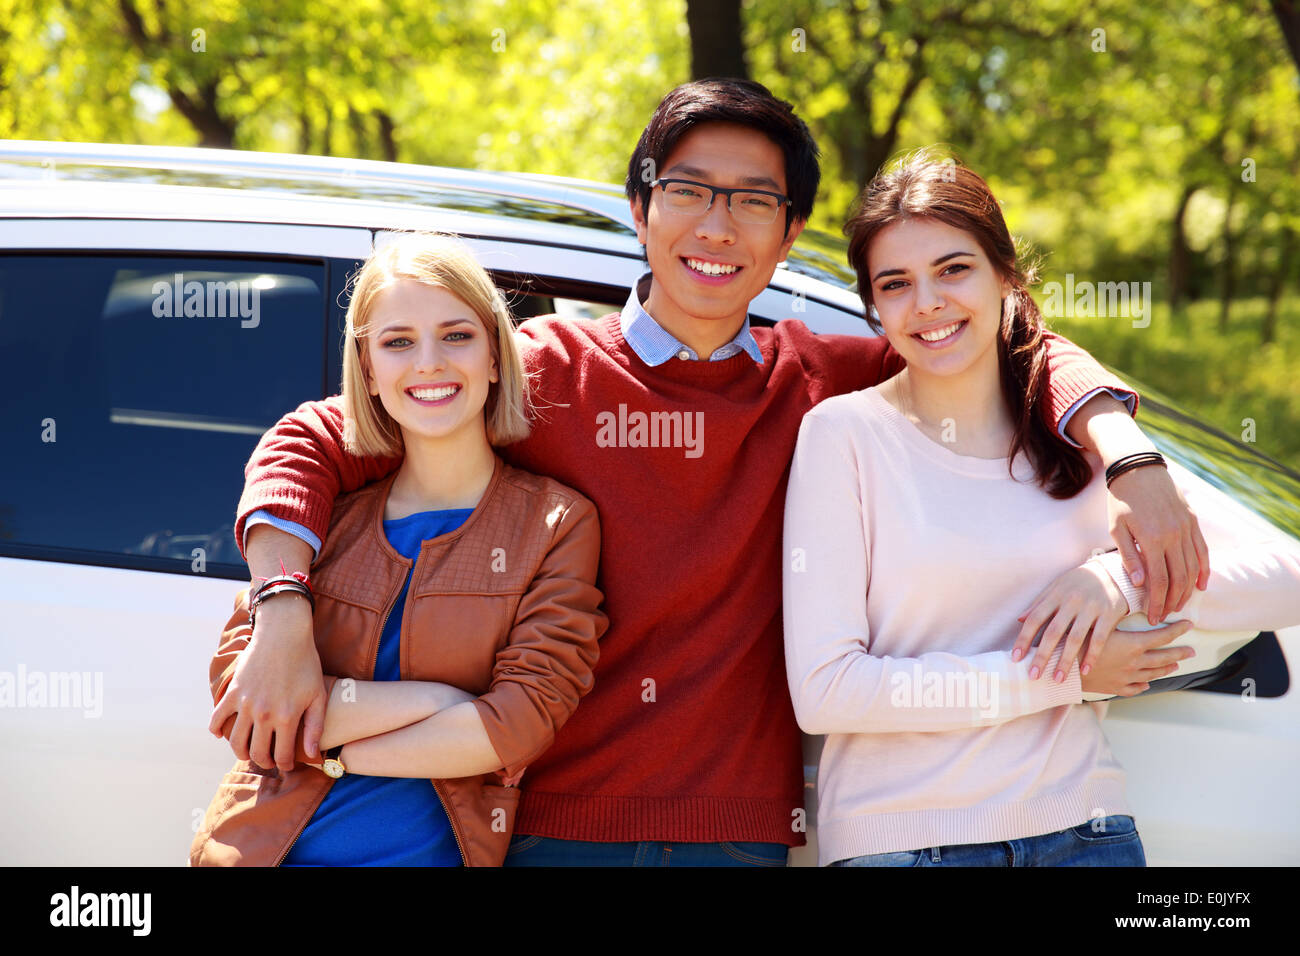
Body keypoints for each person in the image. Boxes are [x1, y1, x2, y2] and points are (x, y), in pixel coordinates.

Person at [212, 79, 1209, 867]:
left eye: (754, 201)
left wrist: (1131, 457)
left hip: (740, 830)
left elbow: (1010, 337)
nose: (717, 226)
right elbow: (311, 437)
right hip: (545, 822)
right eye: (687, 191)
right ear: (640, 209)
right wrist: (285, 610)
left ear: (787, 234)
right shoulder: (542, 369)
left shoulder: (820, 381)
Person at [782, 153, 1300, 867]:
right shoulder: (844, 436)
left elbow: (1288, 577)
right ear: (874, 307)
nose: (927, 302)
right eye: (895, 284)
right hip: (907, 845)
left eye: (953, 269)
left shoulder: (1080, 437)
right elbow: (827, 691)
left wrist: (1115, 583)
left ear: (1006, 275)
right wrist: (1061, 676)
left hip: (1086, 834)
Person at [190, 233, 607, 866]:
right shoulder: (322, 515)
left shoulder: (555, 522)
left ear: (497, 355)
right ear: (369, 371)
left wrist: (335, 752)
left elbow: (519, 722)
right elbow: (243, 697)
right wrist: (436, 703)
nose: (430, 362)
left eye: (457, 335)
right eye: (398, 342)